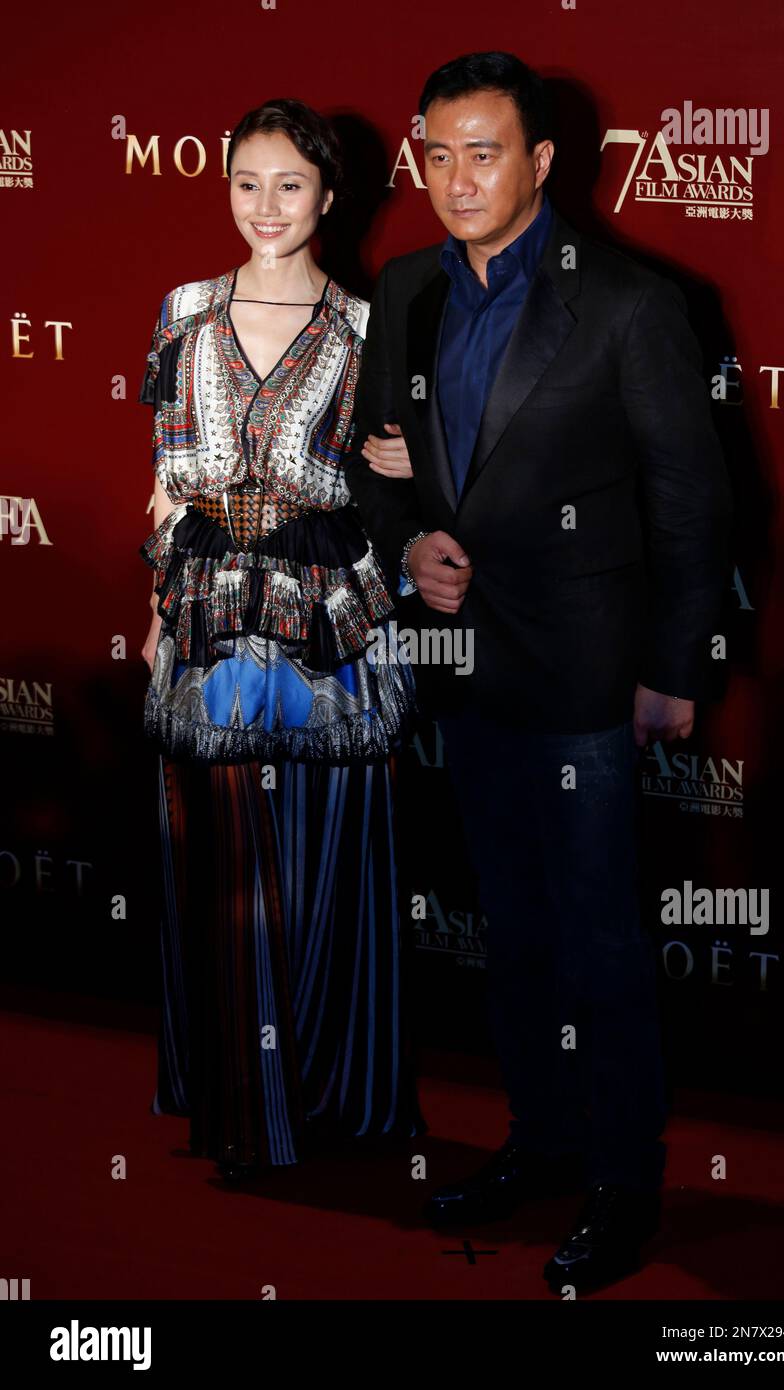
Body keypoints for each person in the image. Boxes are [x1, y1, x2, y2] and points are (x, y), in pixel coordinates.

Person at [346, 51, 733, 1292]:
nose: (456, 179)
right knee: (511, 934)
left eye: (486, 152)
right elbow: (370, 457)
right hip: (462, 672)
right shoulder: (403, 288)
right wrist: (411, 548)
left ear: (543, 163)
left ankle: (623, 1182)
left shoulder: (628, 304)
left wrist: (673, 668)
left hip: (583, 678)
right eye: (437, 153)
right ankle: (542, 1139)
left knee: (597, 941)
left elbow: (690, 501)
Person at [138, 97, 425, 1182]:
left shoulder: (365, 324)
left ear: (331, 195)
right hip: (205, 615)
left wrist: (410, 474)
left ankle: (328, 1102)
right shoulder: (183, 308)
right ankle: (239, 1113)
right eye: (247, 182)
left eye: (290, 185)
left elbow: (396, 474)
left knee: (319, 867)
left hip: (328, 623)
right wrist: (155, 600)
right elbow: (166, 475)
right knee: (222, 871)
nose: (267, 206)